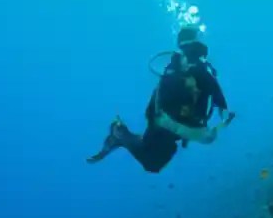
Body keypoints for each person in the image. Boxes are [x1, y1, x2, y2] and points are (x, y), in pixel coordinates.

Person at [88, 26, 234, 172]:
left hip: (174, 125)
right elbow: (165, 106)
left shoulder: (200, 72)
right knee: (153, 163)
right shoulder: (179, 72)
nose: (192, 57)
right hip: (165, 124)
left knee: (153, 157)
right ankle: (120, 133)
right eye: (191, 51)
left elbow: (215, 93)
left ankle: (120, 135)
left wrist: (223, 112)